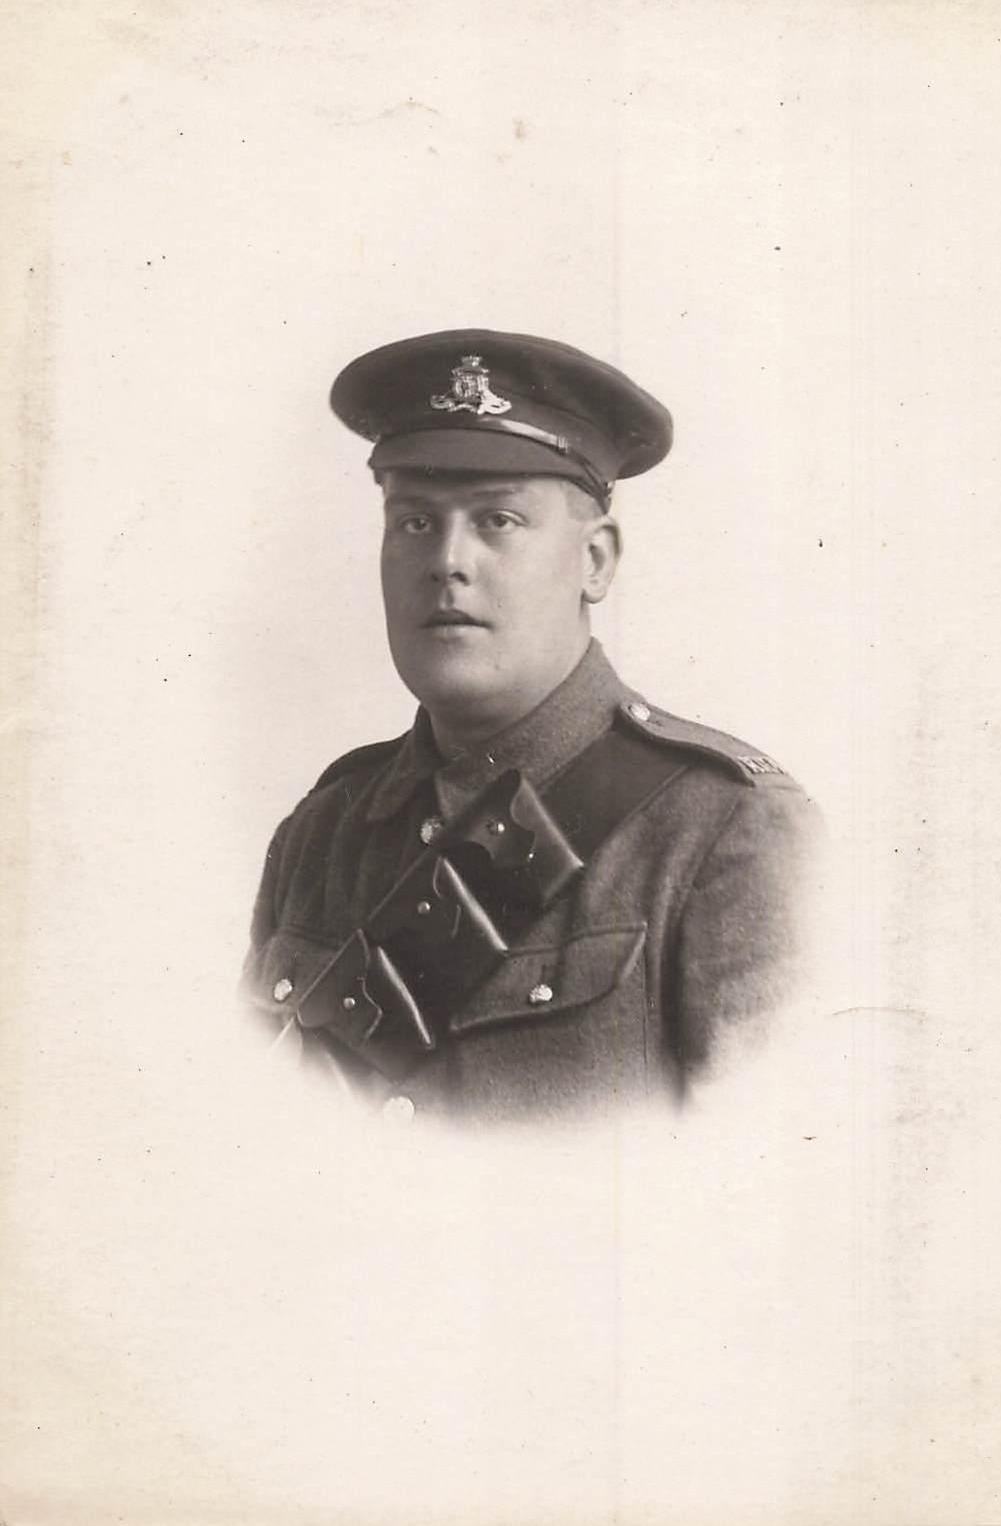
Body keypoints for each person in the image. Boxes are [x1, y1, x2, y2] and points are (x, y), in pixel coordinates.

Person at [242, 329, 820, 1122]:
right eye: (413, 522)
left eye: (498, 521)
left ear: (596, 562)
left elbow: (752, 1182)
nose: (447, 560)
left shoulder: (726, 831)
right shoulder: (321, 834)